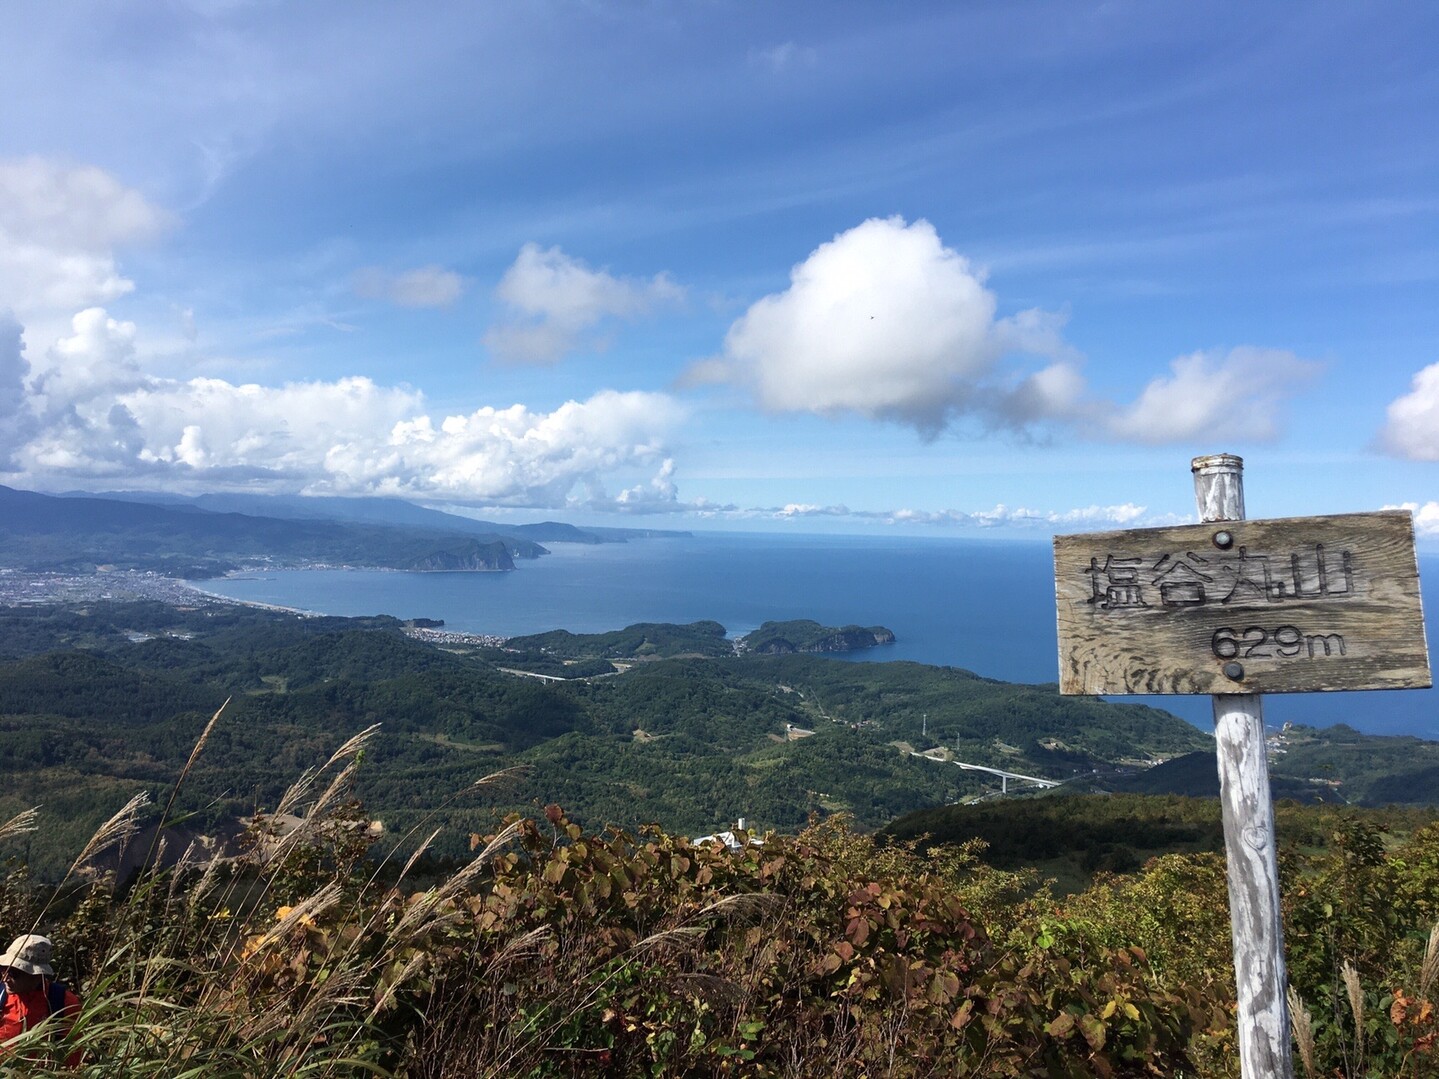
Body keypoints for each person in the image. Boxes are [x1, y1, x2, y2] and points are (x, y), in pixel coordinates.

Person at [0, 934, 81, 1067]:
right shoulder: (2, 995)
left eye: (14, 973)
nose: (5, 978)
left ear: (37, 976)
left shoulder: (64, 1004)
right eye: (3, 969)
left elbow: (71, 1059)